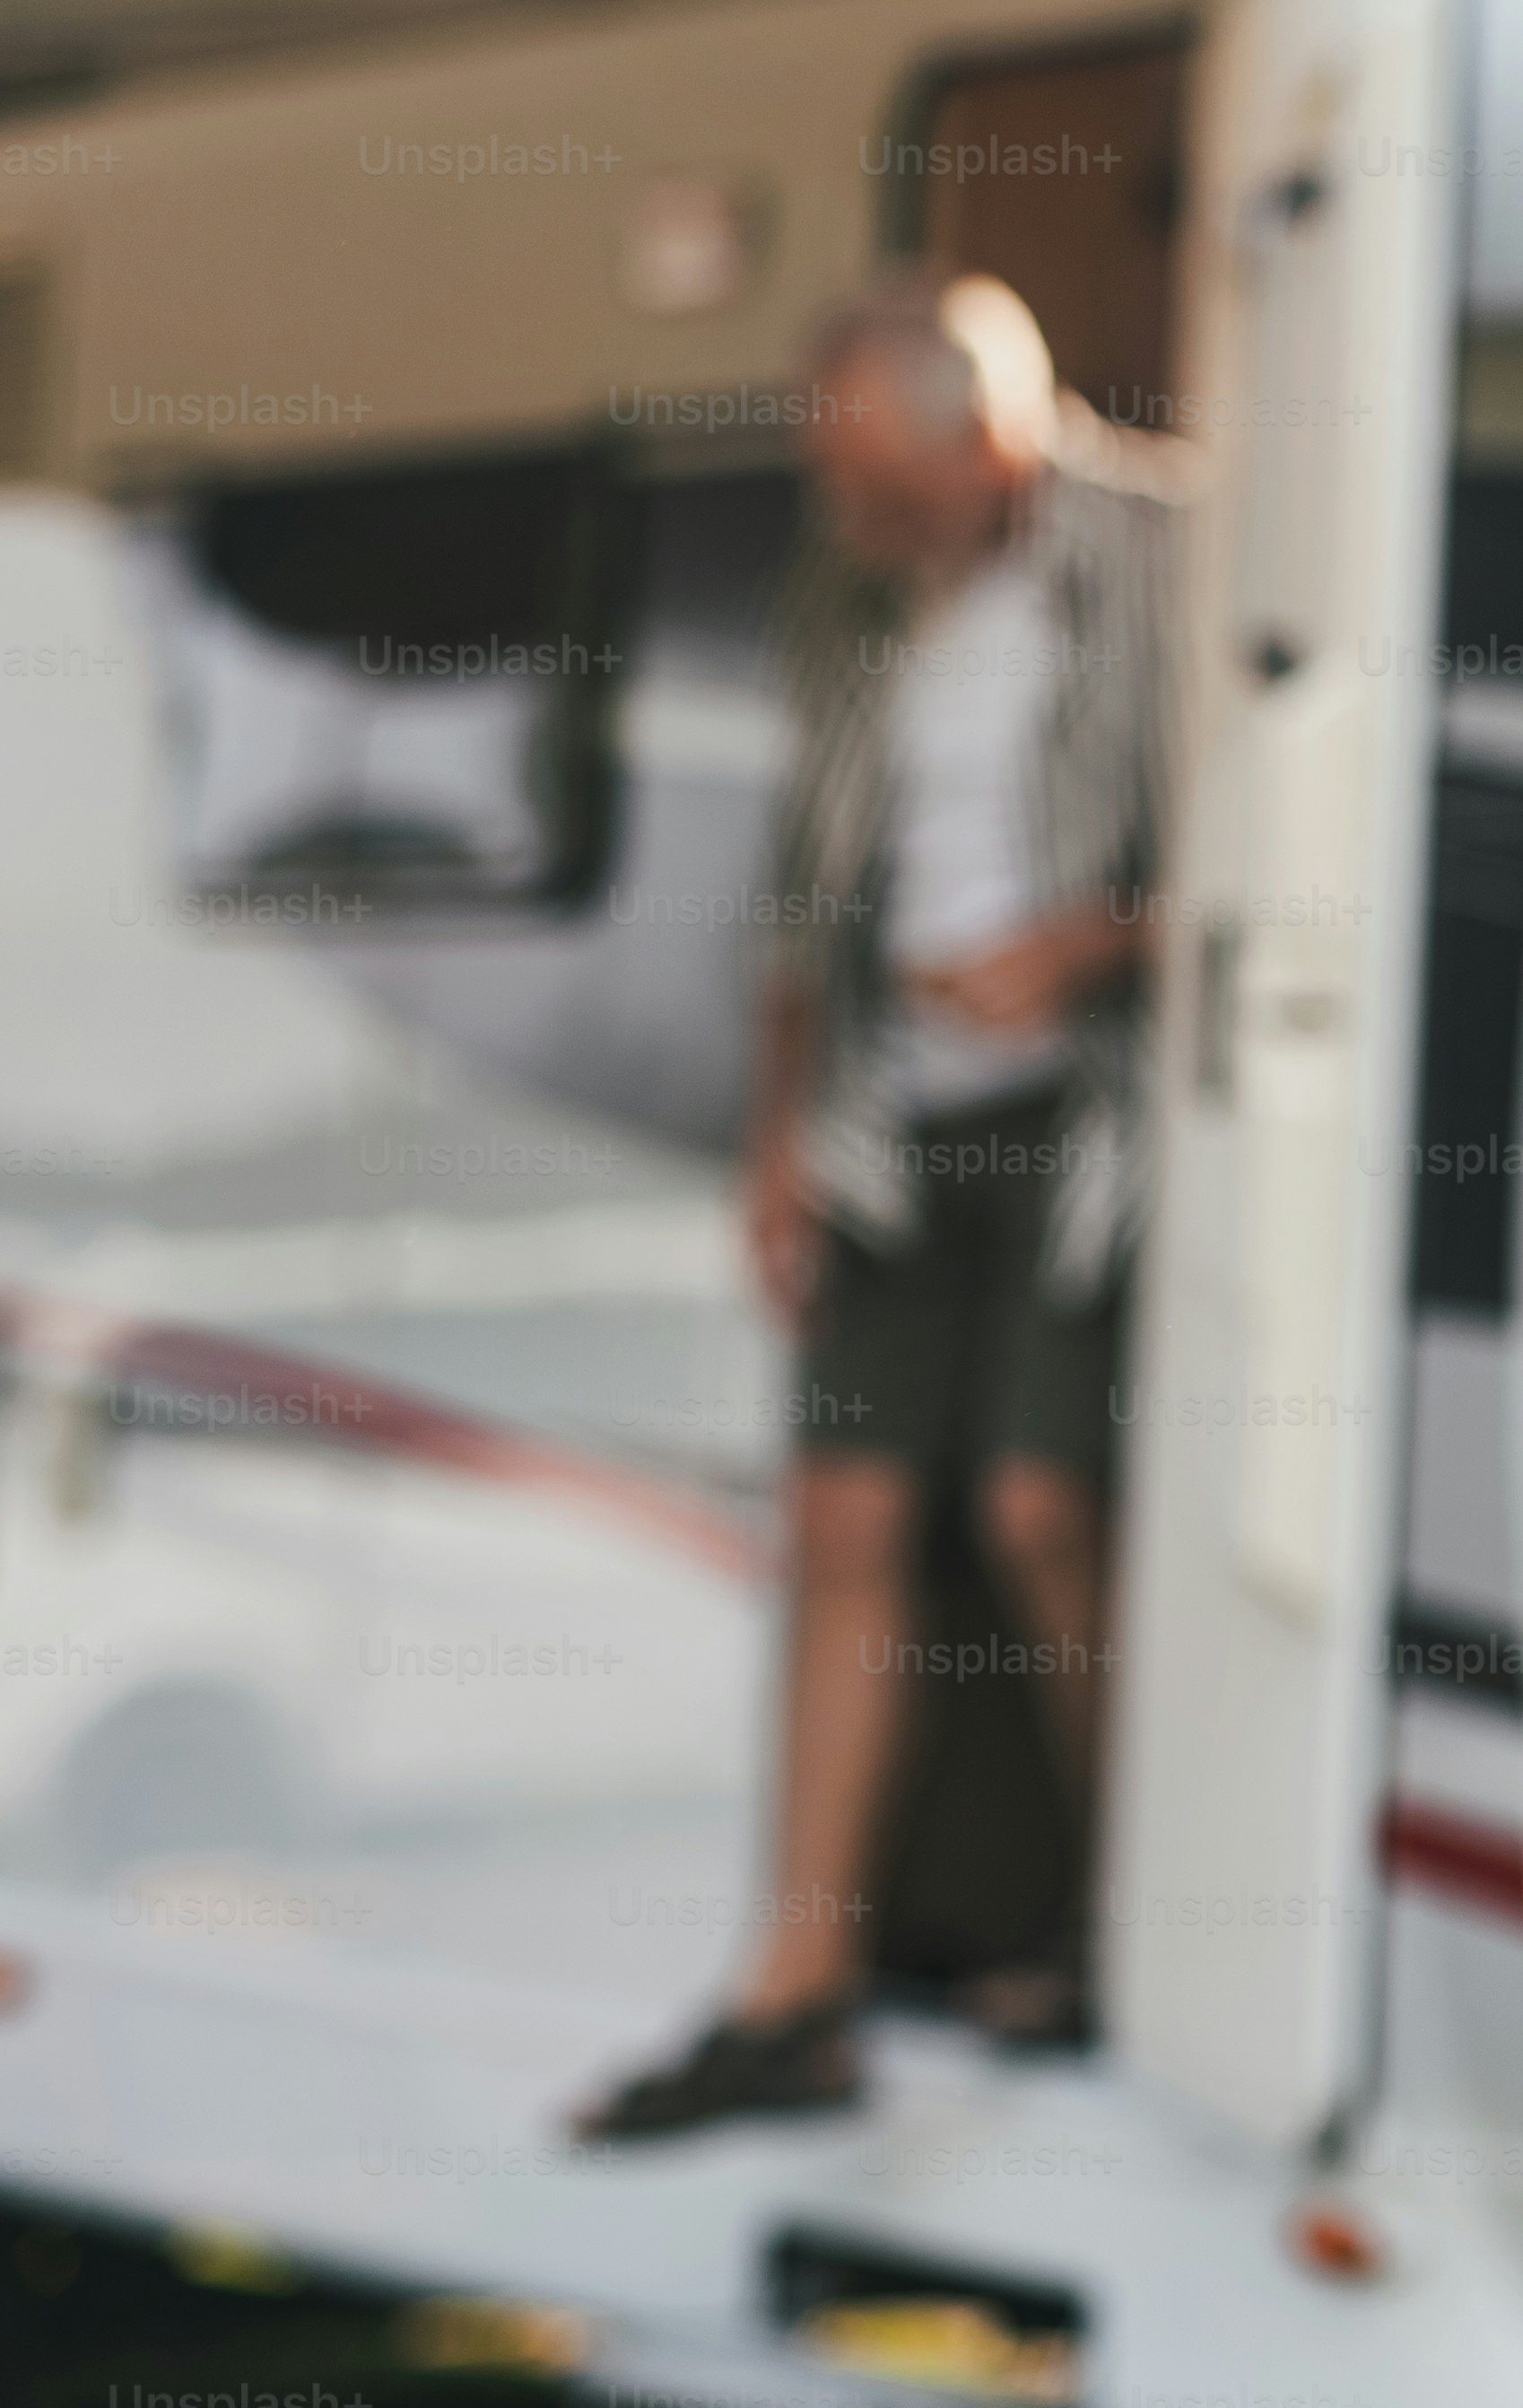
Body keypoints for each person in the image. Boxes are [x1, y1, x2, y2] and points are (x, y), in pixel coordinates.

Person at [578, 270, 1179, 2141]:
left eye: (877, 482)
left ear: (989, 433)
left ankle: (1134, 1932)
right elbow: (793, 892)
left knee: (1036, 1507)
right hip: (892, 1125)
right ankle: (799, 1978)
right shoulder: (850, 602)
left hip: (1084, 1125)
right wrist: (775, 1145)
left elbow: (1292, 851)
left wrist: (1087, 949)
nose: (851, 521)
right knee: (842, 1519)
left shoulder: (1172, 549)